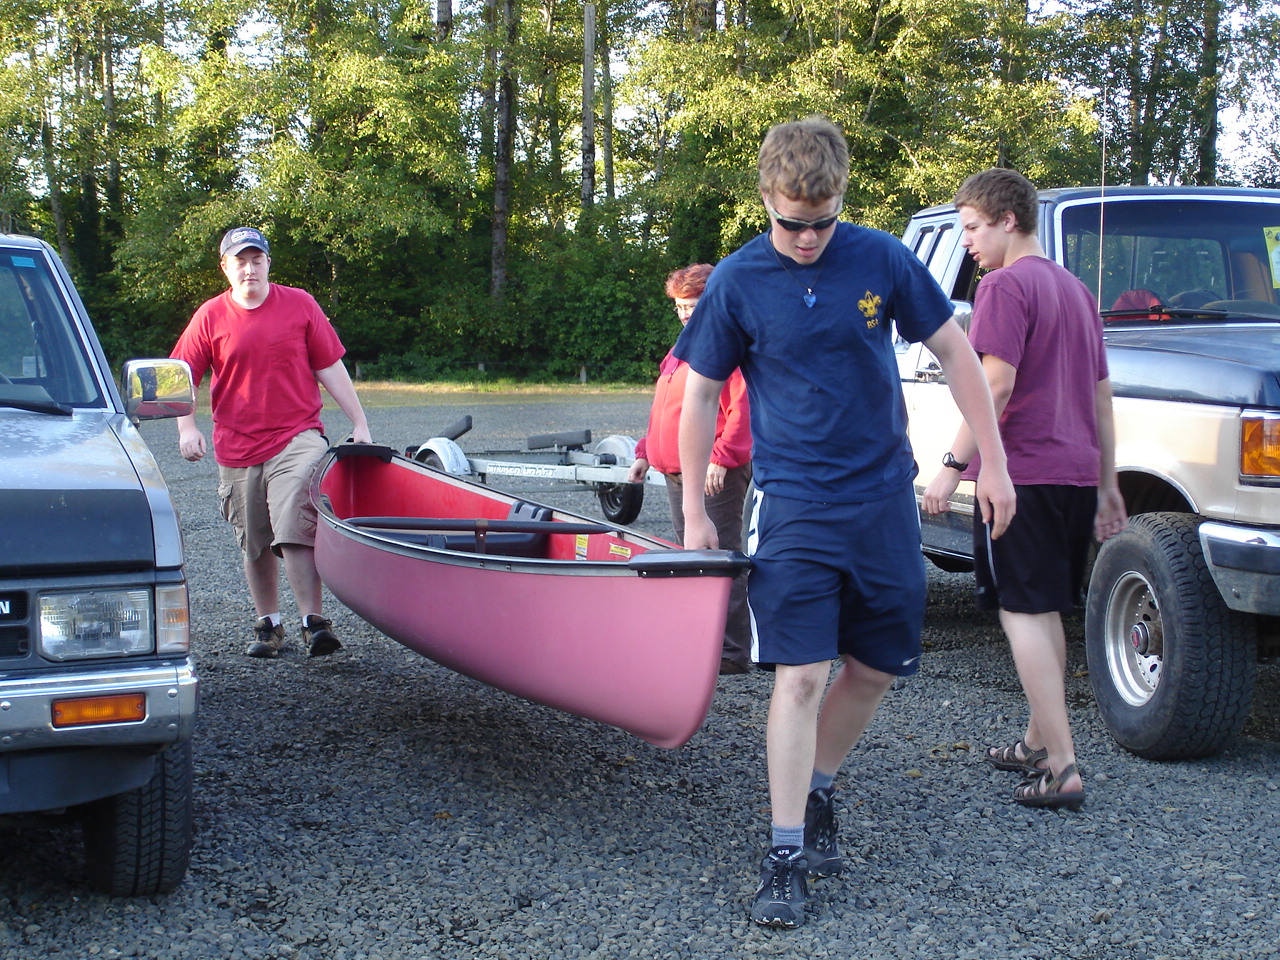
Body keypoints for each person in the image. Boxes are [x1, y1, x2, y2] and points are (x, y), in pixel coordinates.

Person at [675, 116, 1016, 929]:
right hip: (792, 503)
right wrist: (693, 509)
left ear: (842, 200)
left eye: (822, 221)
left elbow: (959, 355)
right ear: (766, 200)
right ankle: (784, 850)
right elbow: (696, 395)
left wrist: (991, 462)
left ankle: (820, 785)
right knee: (800, 675)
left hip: (882, 500)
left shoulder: (881, 258)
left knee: (878, 665)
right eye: (792, 222)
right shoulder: (737, 280)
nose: (807, 237)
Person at [923, 168, 1127, 810]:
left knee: (1020, 610)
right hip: (1071, 474)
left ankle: (1063, 765)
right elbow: (1101, 398)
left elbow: (996, 385)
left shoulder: (1004, 286)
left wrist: (954, 463)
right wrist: (1109, 483)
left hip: (1023, 474)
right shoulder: (1074, 289)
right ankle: (1039, 741)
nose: (969, 244)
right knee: (1046, 609)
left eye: (974, 229)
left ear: (1009, 219)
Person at [171, 226, 372, 659]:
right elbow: (178, 377)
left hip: (298, 436)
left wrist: (360, 422)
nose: (249, 268)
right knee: (256, 539)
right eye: (240, 261)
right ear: (225, 268)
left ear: (268, 264)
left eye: (256, 259)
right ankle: (269, 624)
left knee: (295, 521)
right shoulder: (210, 316)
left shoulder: (299, 304)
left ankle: (313, 623)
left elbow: (330, 366)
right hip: (237, 446)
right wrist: (187, 428)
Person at [628, 264, 753, 675]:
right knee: (691, 558)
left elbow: (742, 407)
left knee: (718, 555)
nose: (685, 313)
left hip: (712, 472)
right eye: (680, 306)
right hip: (675, 470)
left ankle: (731, 652)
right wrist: (646, 450)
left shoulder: (727, 346)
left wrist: (723, 456)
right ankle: (703, 642)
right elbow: (665, 406)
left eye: (693, 304)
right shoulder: (682, 347)